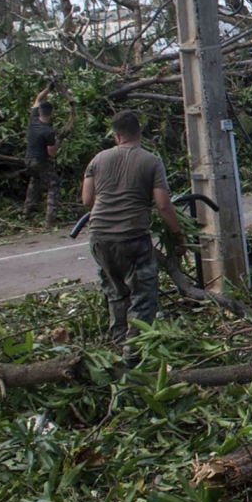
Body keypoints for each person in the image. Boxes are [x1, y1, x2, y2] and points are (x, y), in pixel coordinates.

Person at [81, 110, 185, 362]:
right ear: (140, 132)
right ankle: (134, 352)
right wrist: (177, 234)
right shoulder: (151, 161)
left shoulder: (97, 159)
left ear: (116, 136)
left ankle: (118, 346)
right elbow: (162, 205)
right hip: (133, 237)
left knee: (116, 292)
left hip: (99, 237)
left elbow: (87, 201)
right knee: (144, 297)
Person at [24, 88, 60, 227]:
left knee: (35, 181)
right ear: (51, 114)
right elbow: (51, 153)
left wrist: (48, 88)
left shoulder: (33, 120)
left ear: (39, 111)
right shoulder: (48, 131)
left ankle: (27, 212)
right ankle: (50, 220)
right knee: (54, 184)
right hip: (40, 161)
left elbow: (38, 99)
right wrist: (58, 142)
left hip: (28, 160)